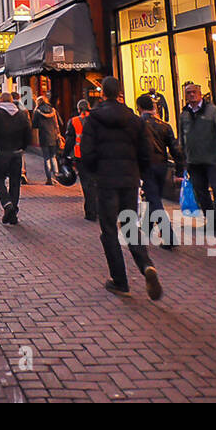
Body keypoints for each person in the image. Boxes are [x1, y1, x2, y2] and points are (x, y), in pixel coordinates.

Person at [81, 77, 161, 300]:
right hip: (129, 181)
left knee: (108, 230)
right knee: (129, 225)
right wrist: (139, 173)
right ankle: (146, 265)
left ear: (103, 93)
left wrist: (95, 171)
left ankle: (120, 280)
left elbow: (86, 152)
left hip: (106, 182)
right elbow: (146, 152)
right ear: (119, 93)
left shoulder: (94, 120)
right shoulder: (135, 121)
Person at [179, 82, 216, 241]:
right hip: (194, 162)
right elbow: (182, 140)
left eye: (194, 92)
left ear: (200, 94)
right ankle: (212, 221)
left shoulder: (213, 112)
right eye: (189, 93)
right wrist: (184, 162)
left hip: (213, 160)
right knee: (201, 193)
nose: (191, 95)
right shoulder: (184, 114)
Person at [136, 94, 184, 248]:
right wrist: (179, 171)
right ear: (154, 107)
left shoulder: (138, 124)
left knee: (155, 200)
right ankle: (146, 228)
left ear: (139, 108)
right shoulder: (165, 125)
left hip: (146, 166)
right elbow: (176, 150)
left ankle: (169, 236)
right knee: (153, 197)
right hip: (162, 166)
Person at [0, 92, 31, 225]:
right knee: (15, 182)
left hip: (2, 153)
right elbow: (28, 133)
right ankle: (13, 213)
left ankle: (7, 204)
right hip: (16, 153)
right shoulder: (21, 115)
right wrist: (23, 147)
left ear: (0, 100)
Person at [62, 100, 98, 221]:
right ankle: (98, 208)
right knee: (96, 182)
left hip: (80, 156)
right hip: (96, 156)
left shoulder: (74, 121)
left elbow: (69, 141)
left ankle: (90, 211)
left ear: (78, 109)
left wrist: (65, 155)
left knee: (87, 184)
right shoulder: (96, 120)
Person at [32, 96, 64, 186]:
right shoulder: (53, 110)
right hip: (54, 137)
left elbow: (34, 125)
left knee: (46, 158)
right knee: (53, 157)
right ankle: (57, 176)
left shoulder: (37, 112)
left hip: (44, 137)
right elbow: (61, 123)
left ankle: (49, 179)